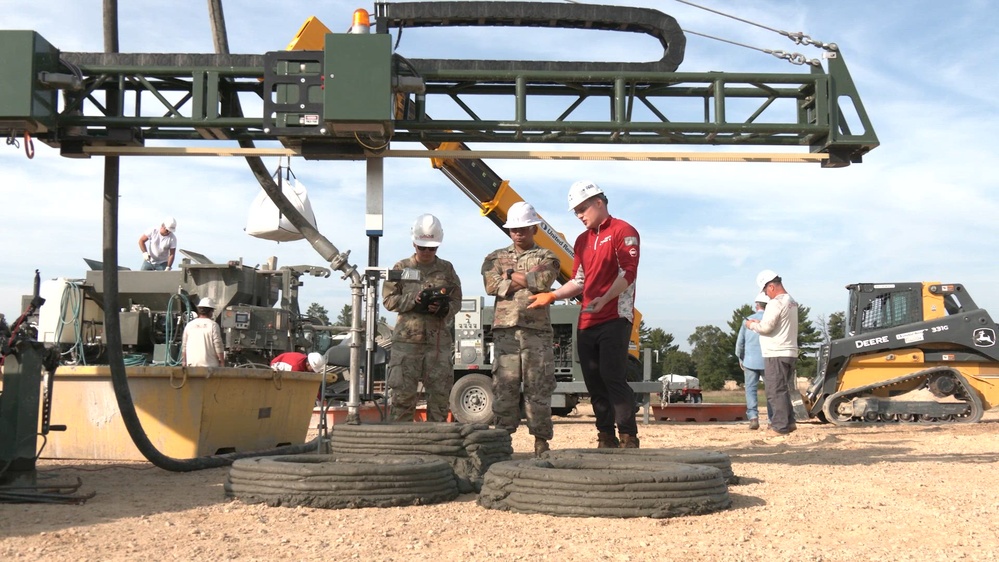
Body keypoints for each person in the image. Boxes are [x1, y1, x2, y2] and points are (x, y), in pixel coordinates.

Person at [528, 180, 641, 449]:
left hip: (615, 316)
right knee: (593, 380)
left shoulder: (623, 231)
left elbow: (628, 274)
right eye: (576, 211)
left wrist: (605, 298)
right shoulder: (581, 241)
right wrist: (552, 295)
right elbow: (578, 280)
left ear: (599, 202)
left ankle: (628, 435)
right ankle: (605, 436)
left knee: (612, 376)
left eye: (582, 209)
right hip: (588, 319)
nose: (579, 216)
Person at [481, 201, 560, 457]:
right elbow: (492, 286)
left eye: (524, 228)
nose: (518, 233)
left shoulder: (548, 257)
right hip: (505, 331)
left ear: (534, 228)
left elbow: (541, 282)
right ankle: (502, 441)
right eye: (514, 229)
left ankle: (541, 443)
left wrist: (509, 274)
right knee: (505, 386)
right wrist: (524, 278)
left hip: (536, 332)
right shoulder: (493, 257)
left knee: (538, 386)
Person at [382, 214, 462, 423]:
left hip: (438, 344)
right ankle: (402, 446)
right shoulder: (400, 268)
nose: (427, 252)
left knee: (439, 397)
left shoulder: (447, 269)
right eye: (422, 247)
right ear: (414, 243)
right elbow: (389, 300)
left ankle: (436, 447)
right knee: (402, 396)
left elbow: (456, 301)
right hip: (406, 344)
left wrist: (443, 308)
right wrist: (413, 301)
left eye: (432, 248)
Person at [745, 269, 799, 436]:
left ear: (771, 286)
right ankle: (789, 423)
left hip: (776, 352)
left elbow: (767, 327)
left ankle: (779, 427)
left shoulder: (776, 302)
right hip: (789, 351)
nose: (766, 295)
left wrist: (752, 325)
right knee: (783, 388)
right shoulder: (791, 301)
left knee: (775, 390)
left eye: (765, 290)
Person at [735, 291, 770, 430]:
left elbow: (740, 343)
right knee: (771, 391)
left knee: (750, 389)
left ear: (757, 305)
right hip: (768, 360)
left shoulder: (747, 321)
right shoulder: (771, 320)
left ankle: (753, 417)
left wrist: (740, 357)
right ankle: (772, 419)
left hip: (750, 360)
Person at [182, 297, 224, 367]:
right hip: (210, 366)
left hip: (192, 366)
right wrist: (222, 362)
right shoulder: (213, 325)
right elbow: (218, 345)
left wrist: (184, 361)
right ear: (211, 311)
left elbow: (184, 345)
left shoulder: (189, 325)